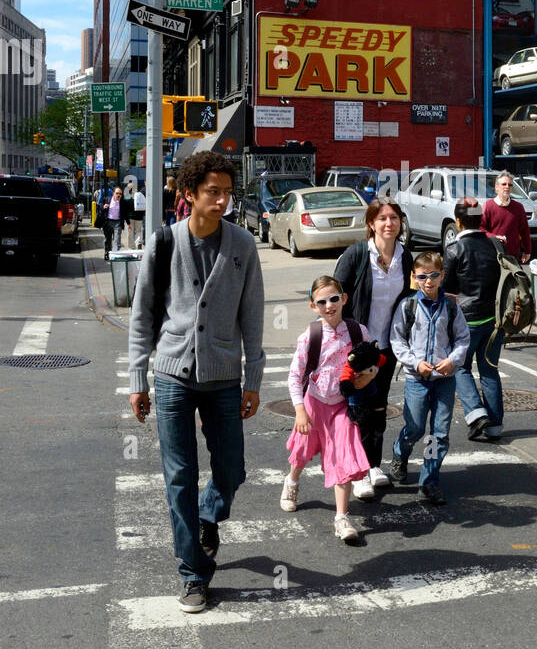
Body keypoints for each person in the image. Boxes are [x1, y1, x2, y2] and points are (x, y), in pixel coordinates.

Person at [128, 153, 266, 613]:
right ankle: (193, 574)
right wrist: (137, 377)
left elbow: (252, 315)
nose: (223, 200)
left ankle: (211, 514)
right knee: (179, 476)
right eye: (214, 192)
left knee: (232, 469)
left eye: (228, 192)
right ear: (189, 194)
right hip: (171, 377)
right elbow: (143, 314)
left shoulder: (243, 245)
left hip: (224, 377)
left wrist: (253, 379)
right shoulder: (163, 242)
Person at [280, 276, 377, 543]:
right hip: (313, 403)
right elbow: (294, 376)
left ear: (344, 299)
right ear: (313, 306)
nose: (329, 305)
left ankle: (341, 517)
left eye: (334, 298)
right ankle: (292, 482)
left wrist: (368, 375)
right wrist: (300, 410)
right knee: (301, 452)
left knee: (344, 458)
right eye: (321, 301)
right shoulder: (310, 336)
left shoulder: (359, 332)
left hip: (342, 406)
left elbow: (368, 368)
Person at [334, 199, 413, 497]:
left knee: (379, 404)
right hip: (357, 348)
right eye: (382, 218)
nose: (389, 223)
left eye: (394, 218)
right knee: (357, 408)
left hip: (387, 346)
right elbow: (335, 295)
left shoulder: (405, 258)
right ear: (371, 223)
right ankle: (357, 472)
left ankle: (373, 465)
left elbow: (411, 298)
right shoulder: (356, 255)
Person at [389, 251, 470, 504]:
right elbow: (397, 340)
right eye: (422, 276)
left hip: (445, 379)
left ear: (442, 275)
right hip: (417, 379)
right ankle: (400, 453)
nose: (428, 281)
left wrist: (453, 360)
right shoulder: (408, 306)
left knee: (439, 433)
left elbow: (463, 339)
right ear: (414, 278)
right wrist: (415, 363)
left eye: (433, 275)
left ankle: (429, 481)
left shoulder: (452, 306)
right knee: (414, 428)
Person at [443, 197, 505, 442]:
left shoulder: (454, 249)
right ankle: (495, 426)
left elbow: (445, 290)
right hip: (494, 320)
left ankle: (477, 415)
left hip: (465, 321)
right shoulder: (496, 246)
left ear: (458, 222)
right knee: (490, 370)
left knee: (459, 367)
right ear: (480, 220)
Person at [480, 171, 531, 263]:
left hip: (512, 256)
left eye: (510, 185)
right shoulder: (488, 206)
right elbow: (481, 230)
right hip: (493, 254)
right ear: (496, 187)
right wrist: (494, 237)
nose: (507, 187)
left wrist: (527, 251)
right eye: (504, 184)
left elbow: (524, 231)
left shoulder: (518, 207)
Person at [100, 185, 128, 259]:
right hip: (108, 222)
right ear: (113, 193)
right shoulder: (107, 199)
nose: (118, 195)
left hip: (118, 223)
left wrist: (128, 223)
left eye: (120, 194)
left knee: (117, 240)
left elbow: (125, 213)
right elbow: (99, 206)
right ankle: (107, 253)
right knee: (107, 239)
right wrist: (103, 206)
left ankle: (116, 254)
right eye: (117, 193)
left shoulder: (123, 202)